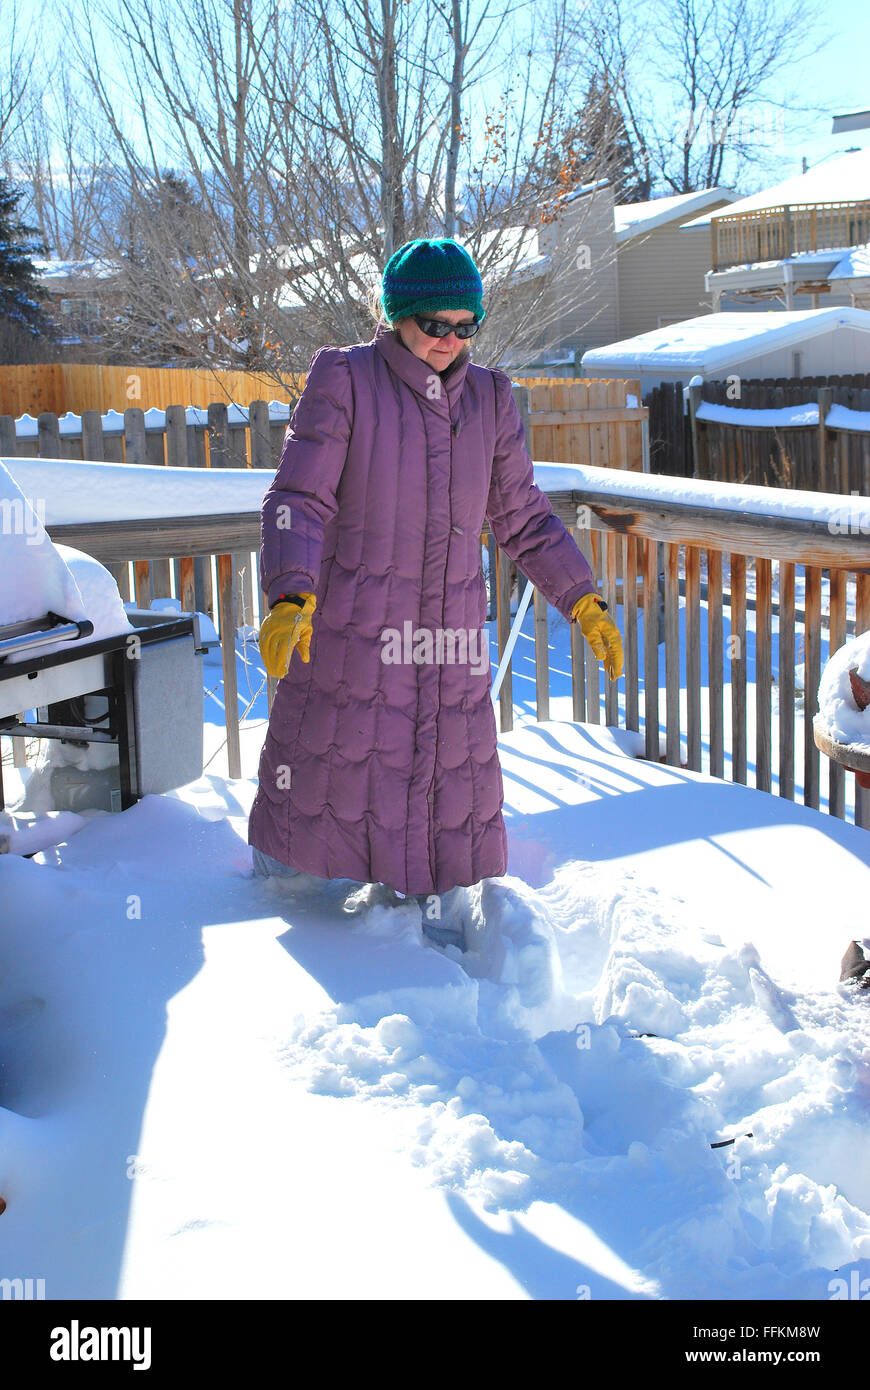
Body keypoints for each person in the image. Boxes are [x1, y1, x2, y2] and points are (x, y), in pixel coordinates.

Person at [247, 238, 623, 948]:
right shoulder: (346, 379)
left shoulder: (489, 398)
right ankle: (303, 915)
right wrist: (290, 592)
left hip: (448, 639)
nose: (450, 340)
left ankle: (433, 935)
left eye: (464, 325)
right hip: (355, 633)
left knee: (441, 783)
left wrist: (581, 597)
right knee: (337, 762)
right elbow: (299, 498)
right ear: (396, 317)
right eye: (433, 324)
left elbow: (523, 516)